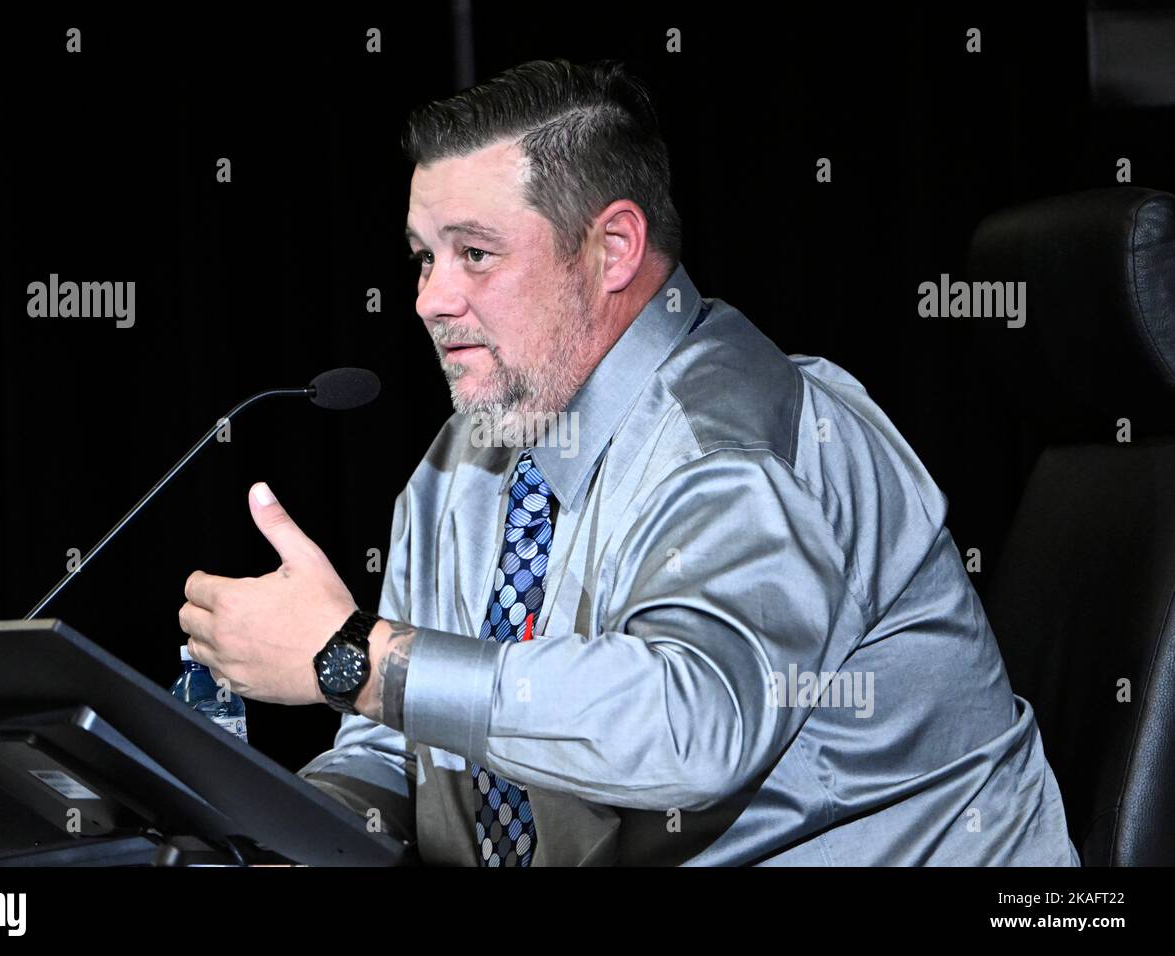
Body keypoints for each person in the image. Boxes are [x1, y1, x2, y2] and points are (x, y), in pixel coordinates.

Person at [178, 58, 1081, 866]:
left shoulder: (740, 442)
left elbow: (693, 725)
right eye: (422, 258)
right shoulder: (470, 452)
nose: (429, 299)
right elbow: (406, 746)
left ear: (612, 249)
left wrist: (354, 658)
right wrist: (291, 840)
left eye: (475, 255)